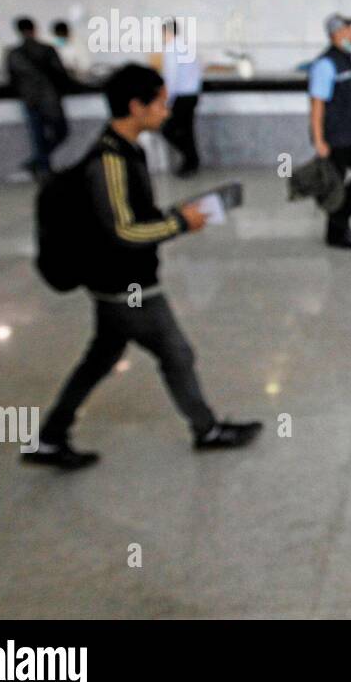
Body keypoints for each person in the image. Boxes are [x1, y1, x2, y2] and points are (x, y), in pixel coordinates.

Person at [27, 64, 261, 470]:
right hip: (125, 285)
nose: (167, 111)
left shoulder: (126, 150)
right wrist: (179, 223)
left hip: (116, 281)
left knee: (101, 357)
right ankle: (206, 429)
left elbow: (130, 216)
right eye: (160, 103)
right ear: (136, 106)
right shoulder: (110, 162)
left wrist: (174, 215)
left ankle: (50, 437)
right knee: (177, 352)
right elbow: (123, 231)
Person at [308, 13, 351, 250]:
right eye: (348, 29)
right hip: (335, 137)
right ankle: (335, 233)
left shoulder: (346, 60)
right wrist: (318, 140)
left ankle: (342, 221)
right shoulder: (326, 64)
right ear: (337, 33)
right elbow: (317, 104)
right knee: (337, 185)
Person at [6, 16, 74, 178]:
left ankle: (39, 163)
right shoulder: (48, 50)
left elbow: (12, 80)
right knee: (60, 132)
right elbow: (61, 74)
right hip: (50, 98)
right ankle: (40, 164)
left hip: (29, 100)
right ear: (35, 29)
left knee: (38, 136)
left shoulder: (14, 54)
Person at [158, 19, 202, 177]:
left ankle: (190, 160)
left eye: (162, 32)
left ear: (168, 32)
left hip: (180, 97)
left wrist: (166, 100)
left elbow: (171, 77)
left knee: (168, 129)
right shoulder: (186, 46)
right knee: (187, 131)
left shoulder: (171, 49)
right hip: (191, 95)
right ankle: (192, 162)